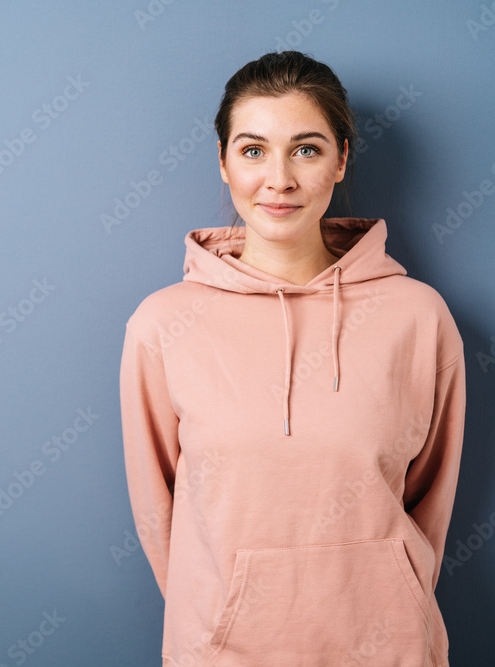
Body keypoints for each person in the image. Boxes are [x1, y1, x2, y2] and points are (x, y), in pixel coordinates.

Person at [119, 51, 466, 666]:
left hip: (390, 651)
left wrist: (396, 596)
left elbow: (430, 499)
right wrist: (219, 622)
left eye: (305, 149)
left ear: (341, 160)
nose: (278, 179)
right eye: (253, 150)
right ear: (223, 163)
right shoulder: (164, 323)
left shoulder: (418, 316)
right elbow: (158, 512)